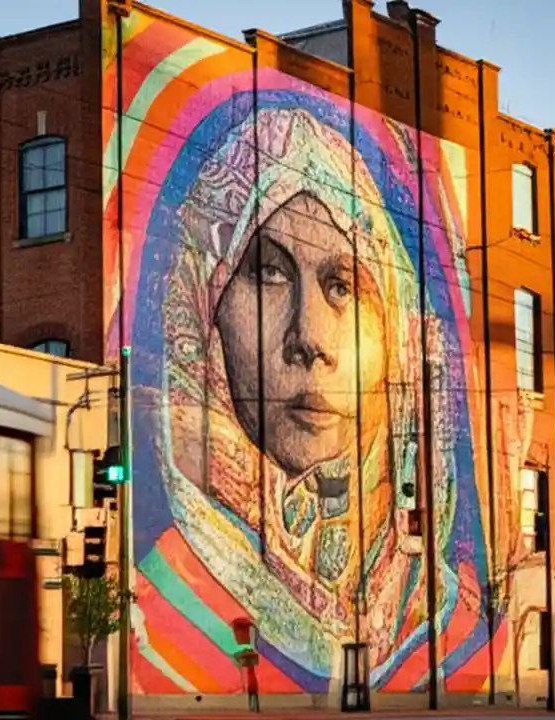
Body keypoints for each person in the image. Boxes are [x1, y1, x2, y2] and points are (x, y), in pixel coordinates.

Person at [122, 77, 494, 696]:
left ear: (395, 330)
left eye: (344, 285)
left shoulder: (451, 622)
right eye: (267, 272)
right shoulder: (157, 608)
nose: (309, 338)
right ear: (202, 304)